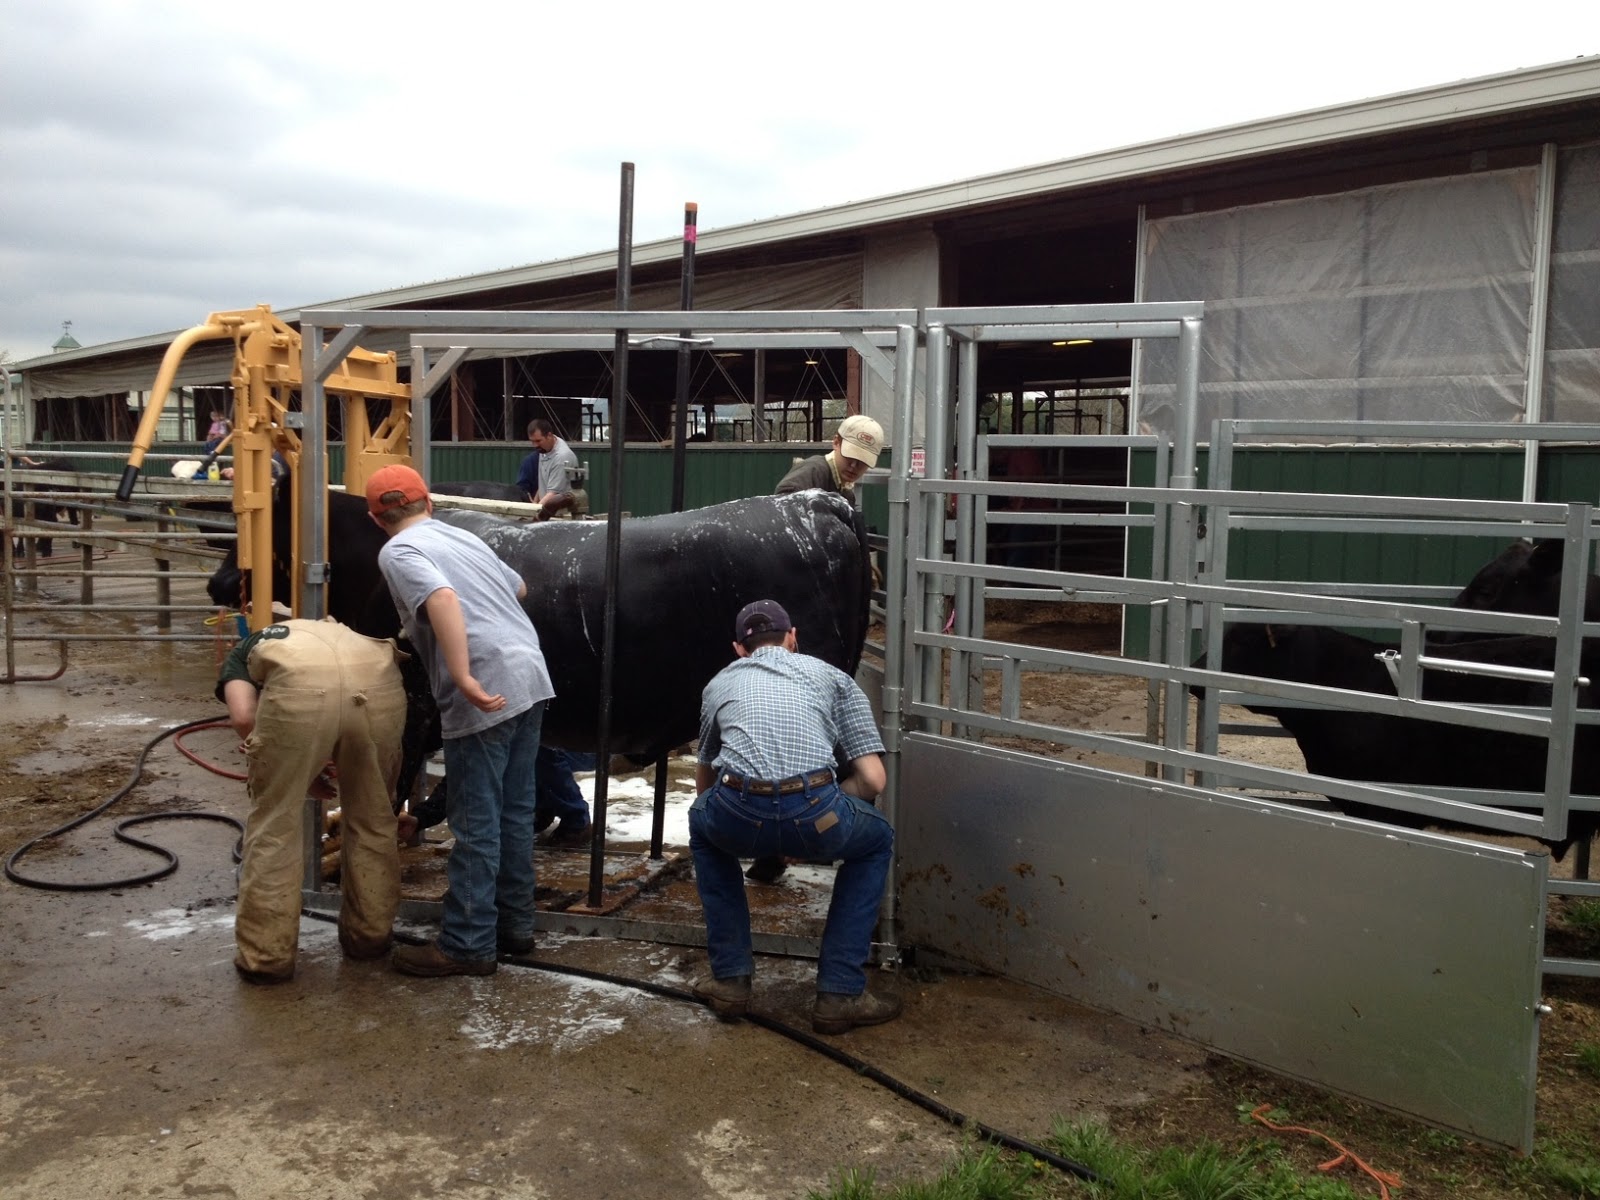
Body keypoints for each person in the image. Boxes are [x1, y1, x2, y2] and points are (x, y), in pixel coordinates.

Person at [367, 463, 555, 976]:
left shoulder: (398, 550)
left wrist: (463, 674)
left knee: (476, 821)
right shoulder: (460, 536)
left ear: (375, 518)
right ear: (428, 503)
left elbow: (442, 598)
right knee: (514, 811)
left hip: (485, 685)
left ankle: (467, 944)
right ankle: (514, 926)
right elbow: (519, 588)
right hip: (529, 674)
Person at [688, 599, 899, 1035]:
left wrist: (753, 824)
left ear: (738, 648)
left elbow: (705, 780)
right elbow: (873, 781)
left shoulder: (718, 684)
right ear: (792, 637)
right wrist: (815, 815)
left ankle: (730, 980)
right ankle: (840, 993)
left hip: (738, 810)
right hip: (817, 812)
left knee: (704, 828)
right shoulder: (832, 677)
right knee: (876, 841)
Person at [216, 616, 409, 985]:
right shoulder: (350, 633)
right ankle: (369, 937)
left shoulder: (248, 648)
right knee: (373, 819)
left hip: (300, 693)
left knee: (276, 825)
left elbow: (243, 717)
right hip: (378, 685)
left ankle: (267, 958)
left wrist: (299, 771)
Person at [774, 413, 884, 497]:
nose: (854, 465)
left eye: (863, 460)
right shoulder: (811, 475)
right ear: (836, 443)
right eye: (850, 456)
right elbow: (781, 505)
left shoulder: (846, 490)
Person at [534, 745, 594, 846]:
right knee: (525, 745)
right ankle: (543, 805)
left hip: (590, 746)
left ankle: (576, 820)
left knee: (539, 748)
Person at [522, 418, 580, 520]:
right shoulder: (544, 449)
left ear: (549, 435)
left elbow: (552, 494)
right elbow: (544, 482)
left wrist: (535, 514)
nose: (535, 445)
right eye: (532, 441)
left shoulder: (561, 457)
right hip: (546, 511)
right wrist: (535, 502)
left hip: (561, 516)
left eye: (538, 441)